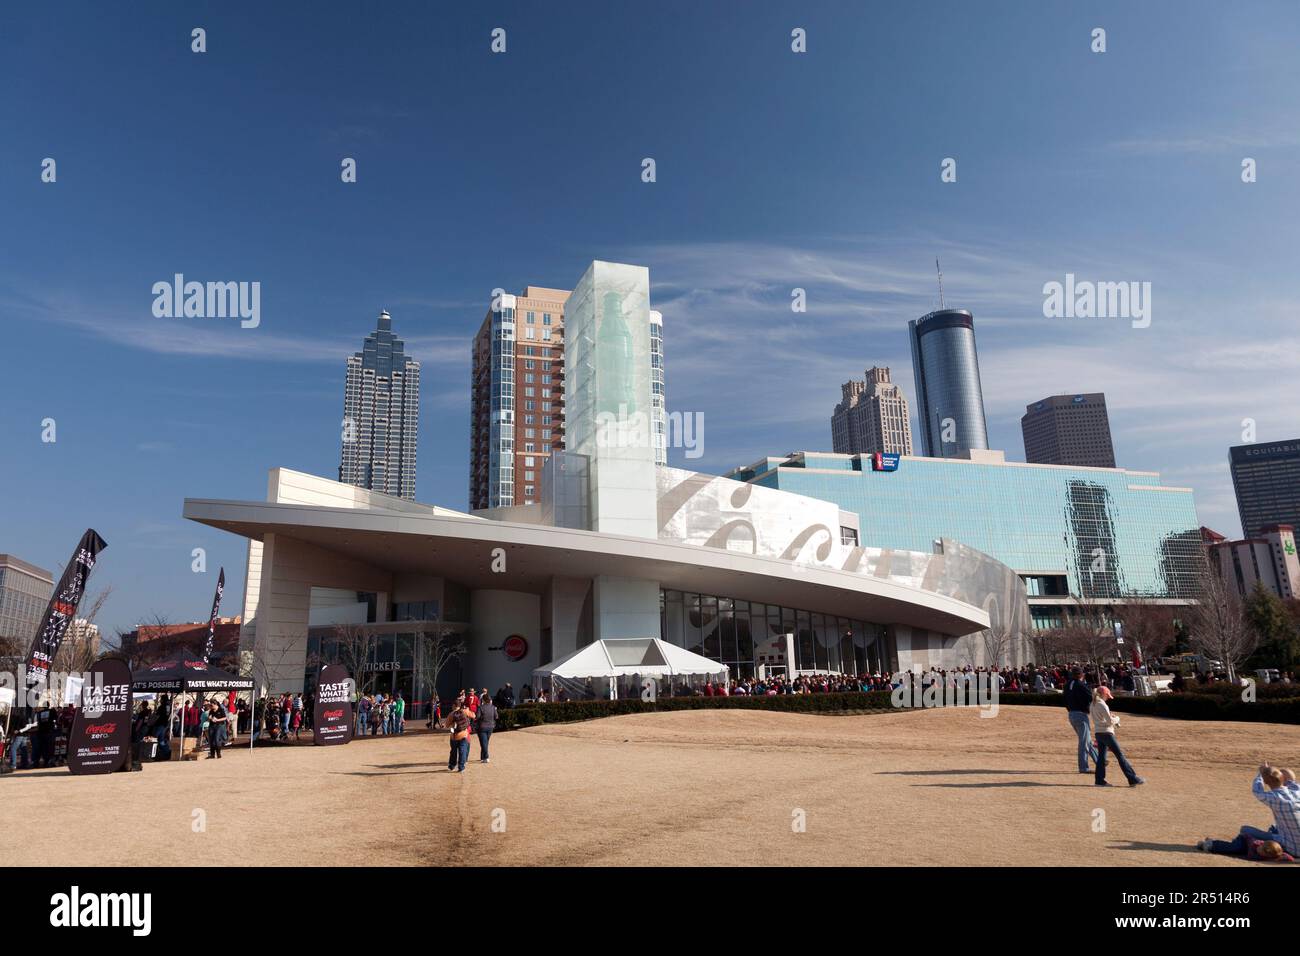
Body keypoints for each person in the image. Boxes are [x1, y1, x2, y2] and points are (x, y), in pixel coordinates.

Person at [1199, 764, 1300, 858]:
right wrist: (1273, 774)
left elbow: (1257, 790)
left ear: (1266, 782)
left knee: (1245, 830)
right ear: (1283, 779)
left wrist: (1260, 773)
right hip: (1292, 840)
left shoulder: (1273, 797)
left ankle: (1223, 845)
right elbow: (1290, 778)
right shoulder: (1296, 792)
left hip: (1291, 848)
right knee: (1275, 827)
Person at [1090, 686, 1144, 787]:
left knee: (1101, 757)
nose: (1108, 698)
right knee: (1120, 755)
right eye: (1107, 696)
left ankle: (1099, 780)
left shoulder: (1092, 704)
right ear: (1104, 694)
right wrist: (1117, 719)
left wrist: (1110, 717)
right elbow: (1109, 722)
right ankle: (1132, 779)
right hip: (1107, 733)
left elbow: (1101, 719)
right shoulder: (1102, 704)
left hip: (1098, 733)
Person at [1064, 667, 1099, 774]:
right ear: (1080, 675)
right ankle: (1083, 767)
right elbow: (1091, 698)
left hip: (1071, 714)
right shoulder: (1080, 685)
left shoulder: (1068, 684)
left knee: (1087, 740)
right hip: (1080, 715)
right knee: (1084, 742)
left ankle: (1099, 761)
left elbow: (1064, 700)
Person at [446, 699, 472, 773]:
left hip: (454, 736)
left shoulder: (451, 714)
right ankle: (461, 767)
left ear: (454, 705)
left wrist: (452, 724)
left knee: (453, 751)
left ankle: (452, 765)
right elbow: (474, 715)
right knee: (462, 751)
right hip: (464, 734)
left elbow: (447, 725)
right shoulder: (464, 711)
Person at [475, 690, 497, 764]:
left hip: (482, 727)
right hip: (491, 726)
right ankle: (482, 757)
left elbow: (477, 717)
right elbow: (496, 716)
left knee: (484, 743)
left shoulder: (480, 707)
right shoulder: (493, 707)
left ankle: (486, 757)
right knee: (485, 742)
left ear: (483, 700)